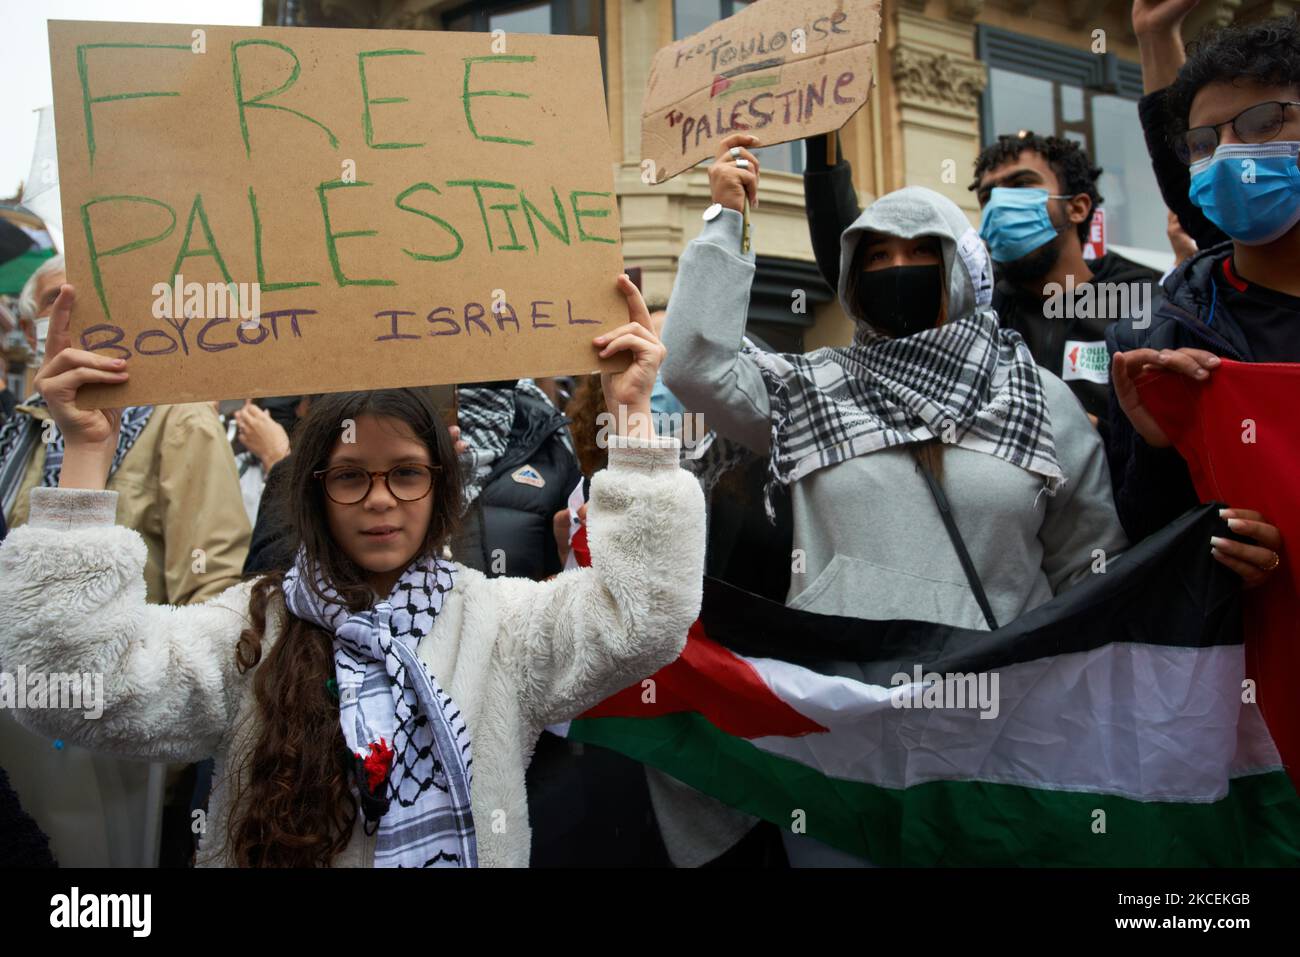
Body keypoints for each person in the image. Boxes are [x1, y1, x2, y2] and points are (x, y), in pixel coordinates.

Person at [0, 276, 704, 868]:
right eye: (349, 476)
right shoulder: (250, 629)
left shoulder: (499, 626)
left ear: (441, 487)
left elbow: (642, 618)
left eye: (405, 473)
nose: (378, 498)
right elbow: (72, 683)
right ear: (311, 492)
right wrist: (85, 454)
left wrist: (633, 416)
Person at [662, 133, 1129, 864]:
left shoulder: (1045, 400)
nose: (897, 270)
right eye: (876, 257)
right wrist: (728, 219)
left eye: (919, 253)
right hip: (844, 741)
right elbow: (694, 364)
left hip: (1003, 737)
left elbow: (1089, 569)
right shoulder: (809, 387)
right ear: (850, 276)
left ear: (961, 269)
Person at [0, 259, 252, 868]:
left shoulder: (176, 416)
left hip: (122, 742)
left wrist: (168, 742)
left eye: (75, 311)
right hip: (24, 727)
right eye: (45, 315)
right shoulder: (26, 429)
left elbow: (211, 584)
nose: (56, 332)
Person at [971, 133, 1161, 431]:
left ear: (1078, 207)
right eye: (987, 197)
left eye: (1021, 185)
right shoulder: (981, 322)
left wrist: (1092, 435)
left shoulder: (1143, 307)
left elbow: (1174, 440)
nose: (999, 206)